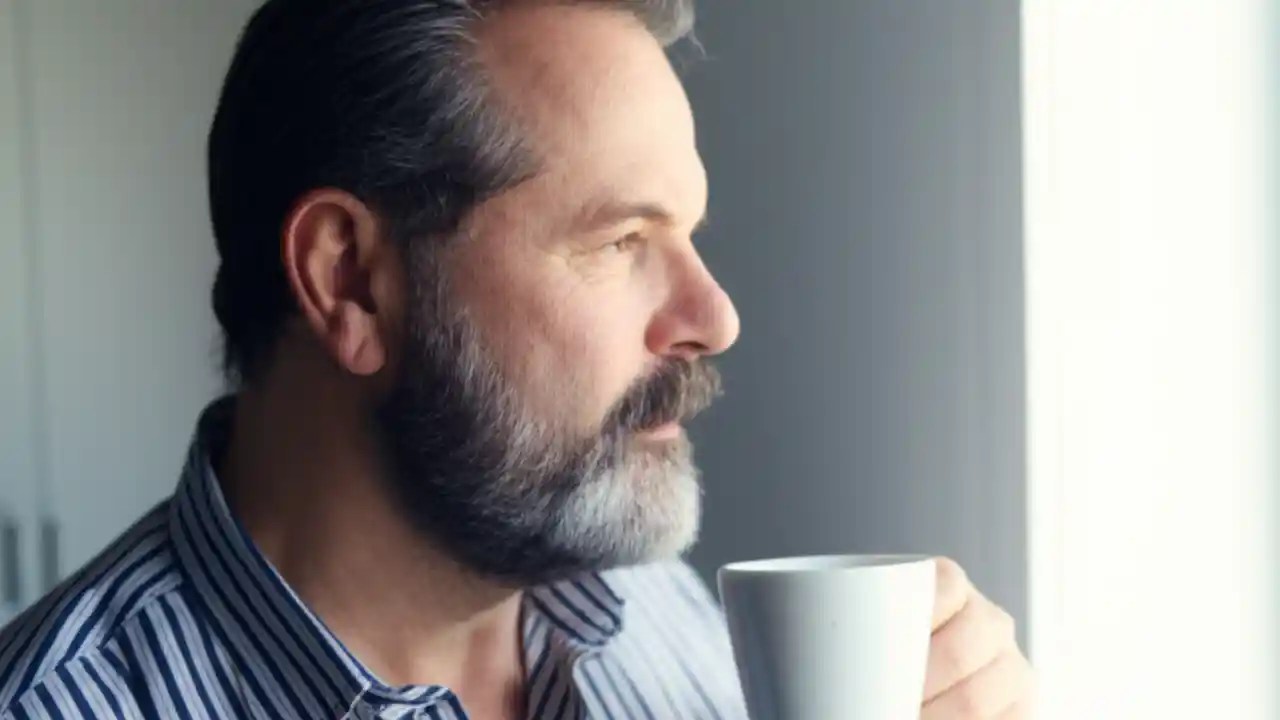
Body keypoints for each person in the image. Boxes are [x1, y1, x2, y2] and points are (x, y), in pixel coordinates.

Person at [0, 1, 1034, 718]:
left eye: (687, 236)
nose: (714, 317)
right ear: (351, 281)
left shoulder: (665, 616)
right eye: (621, 241)